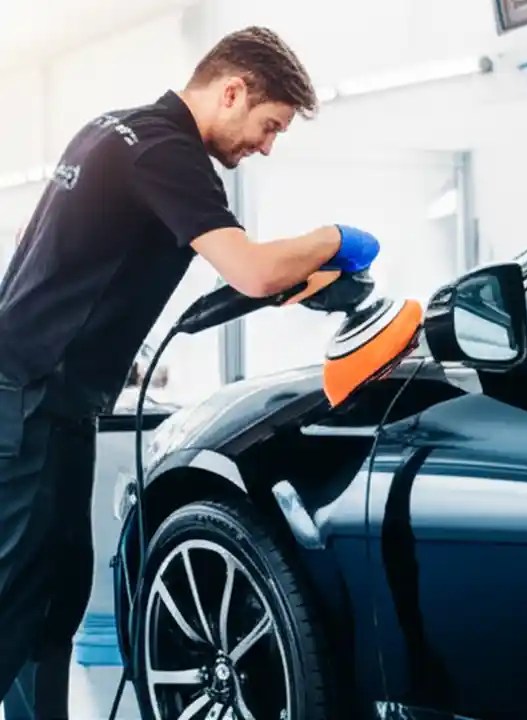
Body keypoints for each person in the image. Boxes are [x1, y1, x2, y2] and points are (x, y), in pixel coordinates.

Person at [0, 27, 380, 716]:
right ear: (232, 91)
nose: (266, 146)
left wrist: (292, 277)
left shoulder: (110, 130)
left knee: (49, 606)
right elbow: (251, 269)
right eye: (270, 125)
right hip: (30, 404)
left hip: (45, 402)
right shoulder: (168, 152)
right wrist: (336, 238)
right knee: (13, 606)